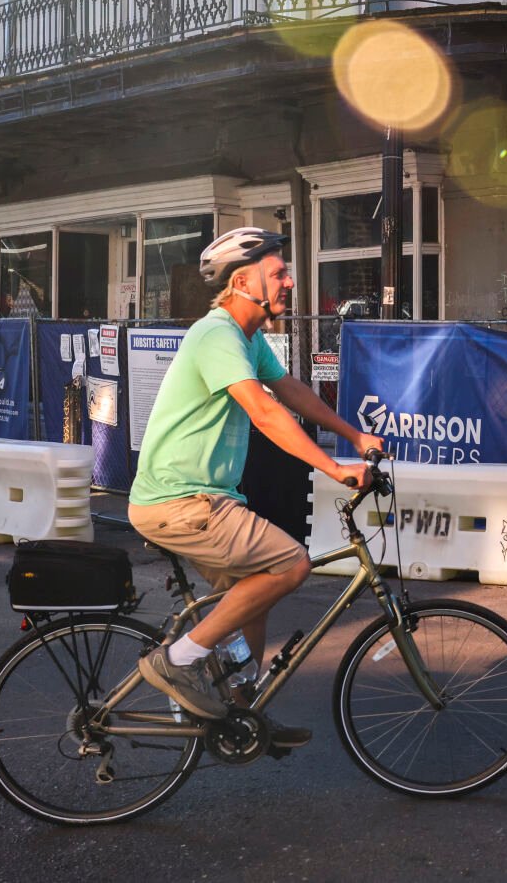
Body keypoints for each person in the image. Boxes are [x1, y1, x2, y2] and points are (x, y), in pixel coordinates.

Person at [128, 226, 382, 746]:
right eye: (279, 273)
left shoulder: (248, 337)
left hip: (207, 498)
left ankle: (243, 706)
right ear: (243, 282)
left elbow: (290, 391)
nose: (290, 282)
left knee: (255, 593)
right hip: (182, 500)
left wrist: (355, 436)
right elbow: (265, 411)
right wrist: (333, 469)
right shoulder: (216, 335)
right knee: (290, 565)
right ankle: (178, 661)